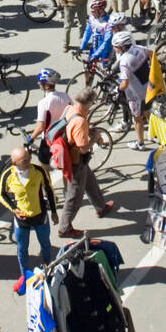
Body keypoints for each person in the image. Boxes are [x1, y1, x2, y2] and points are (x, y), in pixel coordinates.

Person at [55, 87, 114, 238]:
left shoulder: (71, 109)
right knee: (74, 196)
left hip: (73, 157)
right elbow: (83, 148)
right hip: (77, 162)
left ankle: (101, 207)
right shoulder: (80, 121)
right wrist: (95, 138)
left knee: (91, 182)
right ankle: (64, 228)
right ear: (89, 102)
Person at [0, 146, 58, 276]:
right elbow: (1, 194)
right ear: (14, 163)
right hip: (22, 219)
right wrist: (14, 210)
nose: (28, 161)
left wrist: (53, 211)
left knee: (46, 244)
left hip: (40, 215)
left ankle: (49, 268)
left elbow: (49, 190)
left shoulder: (39, 171)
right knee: (22, 248)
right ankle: (24, 274)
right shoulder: (7, 175)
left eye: (28, 157)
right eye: (24, 160)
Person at [113, 29, 151, 151]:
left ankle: (140, 143)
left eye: (116, 46)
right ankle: (155, 134)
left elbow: (125, 83)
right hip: (148, 88)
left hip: (135, 94)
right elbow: (151, 53)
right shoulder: (139, 48)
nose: (114, 49)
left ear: (123, 47)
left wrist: (116, 89)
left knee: (137, 119)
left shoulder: (125, 61)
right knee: (148, 112)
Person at [30, 68, 71, 164]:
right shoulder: (65, 96)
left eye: (40, 83)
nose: (38, 84)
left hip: (49, 139)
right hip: (64, 135)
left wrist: (31, 138)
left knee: (44, 165)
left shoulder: (43, 103)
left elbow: (41, 127)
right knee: (64, 167)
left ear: (47, 85)